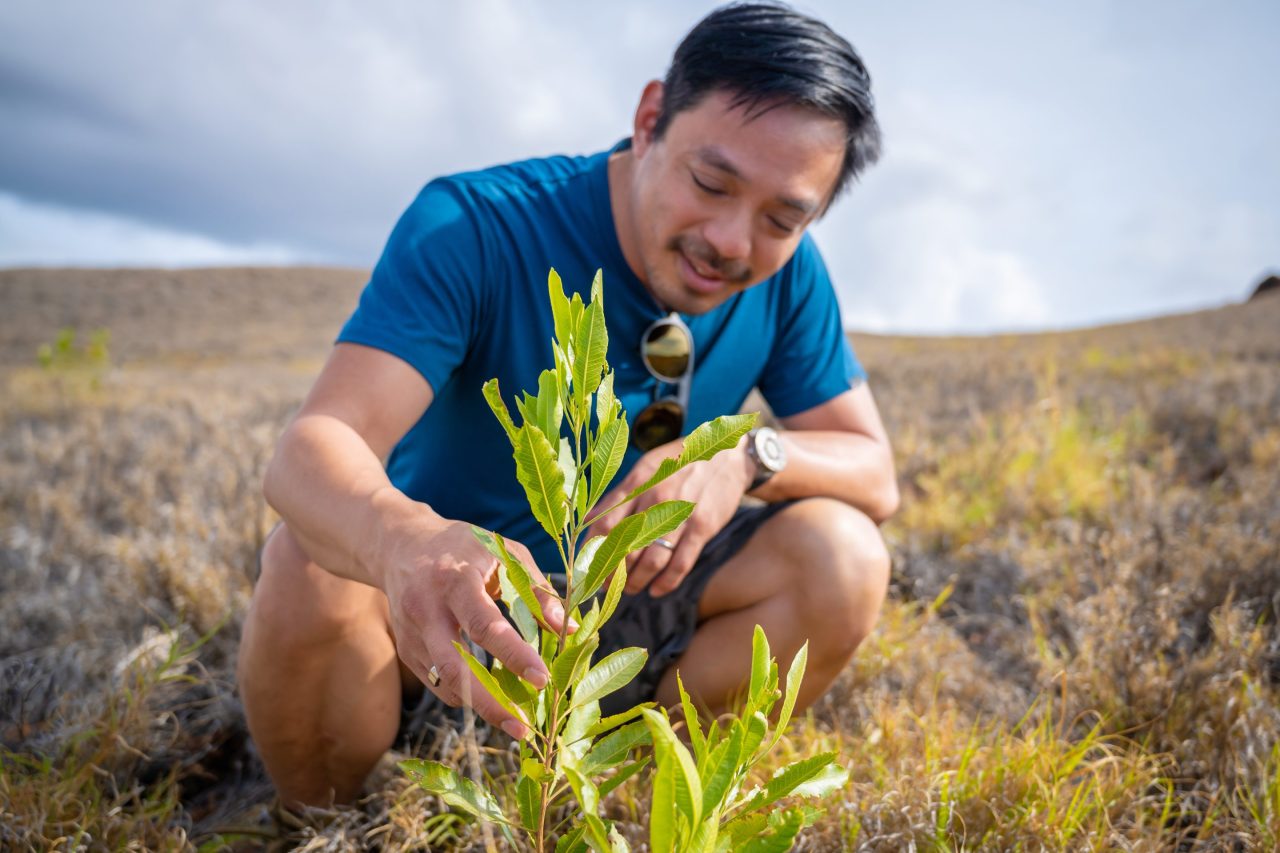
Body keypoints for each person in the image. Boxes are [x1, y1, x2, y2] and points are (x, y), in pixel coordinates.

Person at [237, 1, 899, 808]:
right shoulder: (476, 225)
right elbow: (314, 446)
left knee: (844, 555)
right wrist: (403, 542)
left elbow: (873, 472)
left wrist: (743, 458)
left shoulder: (790, 275)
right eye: (710, 182)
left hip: (624, 612)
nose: (732, 240)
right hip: (445, 605)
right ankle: (330, 821)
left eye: (782, 217)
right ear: (651, 115)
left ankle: (611, 797)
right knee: (310, 554)